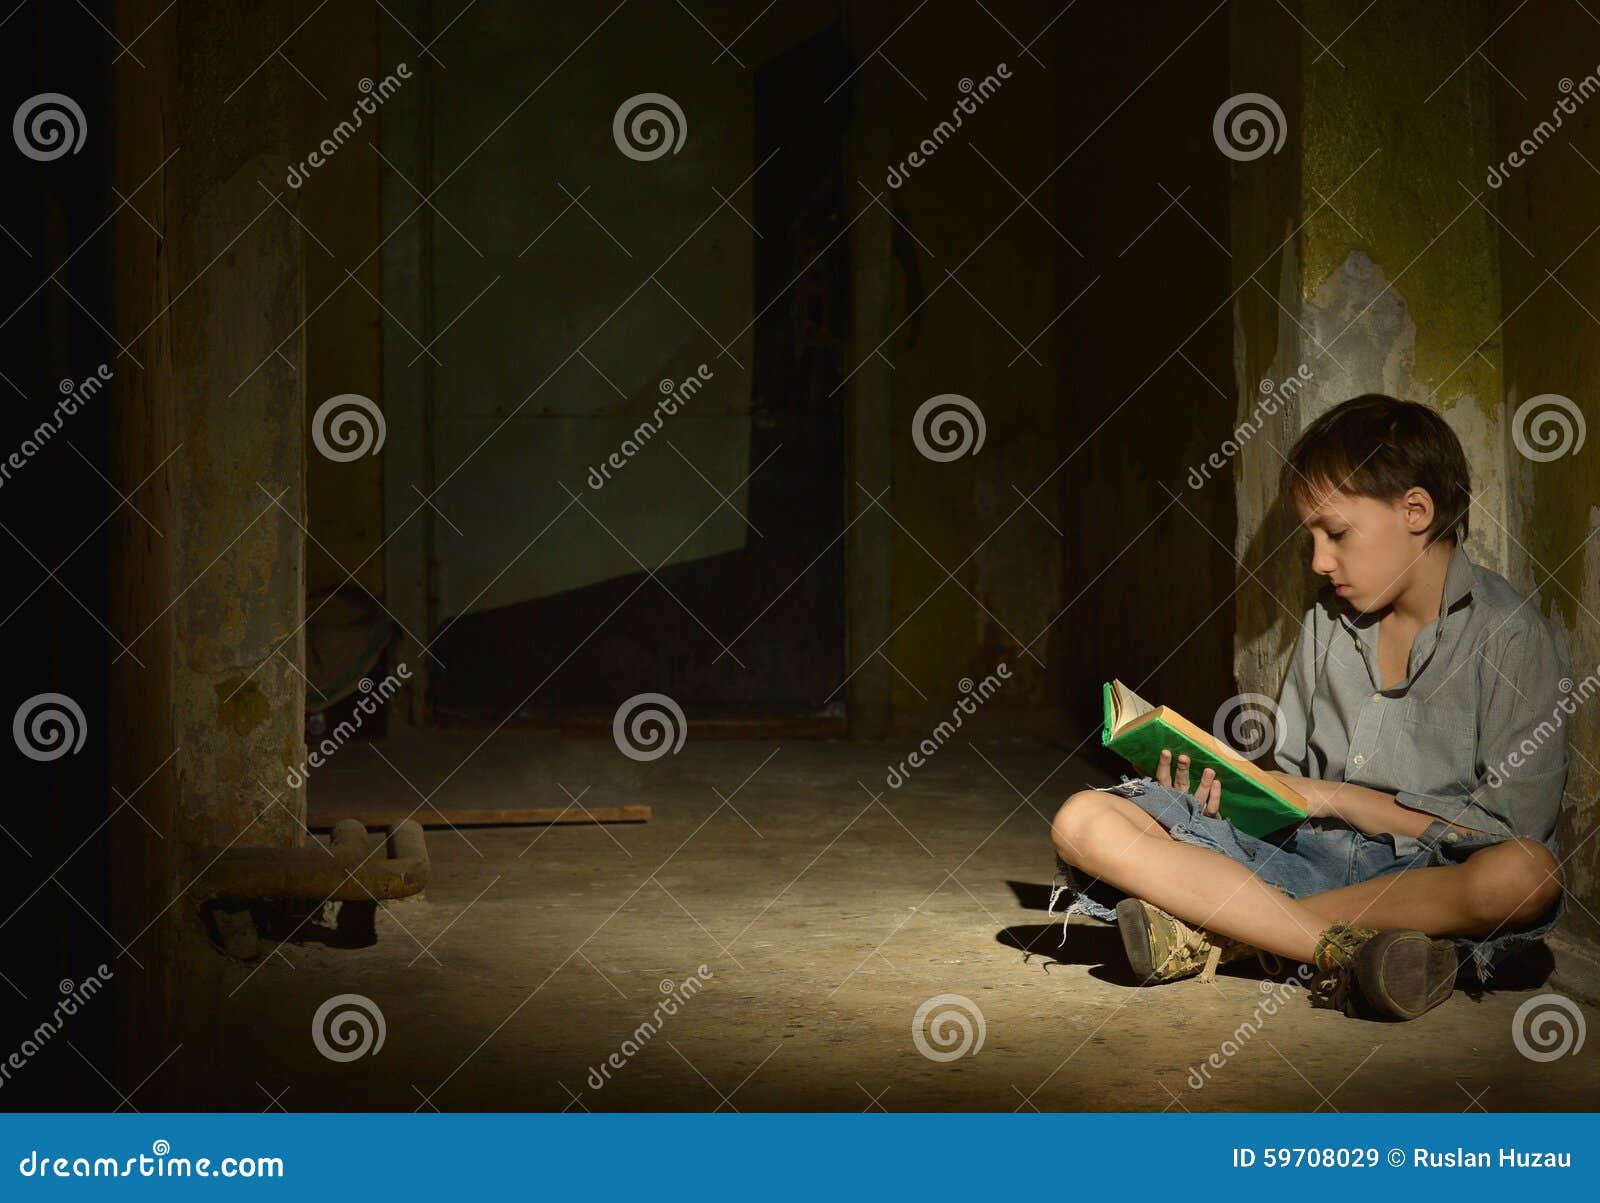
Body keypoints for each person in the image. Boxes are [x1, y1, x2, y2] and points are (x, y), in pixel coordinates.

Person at [1049, 394, 1570, 1020]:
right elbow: (1292, 797)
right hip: (1302, 862)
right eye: (1313, 538)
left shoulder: (1511, 636)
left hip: (1423, 884)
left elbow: (1502, 832)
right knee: (1083, 820)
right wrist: (1219, 795)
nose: (1321, 561)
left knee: (1527, 874)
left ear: (1416, 510)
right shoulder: (1328, 623)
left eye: (1338, 534)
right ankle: (1341, 952)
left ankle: (1228, 934)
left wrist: (1339, 798)